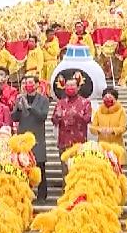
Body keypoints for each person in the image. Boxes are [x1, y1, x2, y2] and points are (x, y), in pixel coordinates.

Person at [11, 74, 51, 202]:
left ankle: (42, 195)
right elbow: (14, 118)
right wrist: (17, 108)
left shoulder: (43, 100)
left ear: (37, 85)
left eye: (30, 83)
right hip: (23, 137)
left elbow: (43, 116)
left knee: (39, 166)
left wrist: (30, 108)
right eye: (25, 83)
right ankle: (25, 194)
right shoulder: (20, 98)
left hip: (37, 137)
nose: (28, 85)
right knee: (23, 166)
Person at [51, 76, 92, 154]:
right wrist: (57, 116)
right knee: (64, 165)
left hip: (79, 142)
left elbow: (88, 119)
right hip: (64, 142)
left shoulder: (85, 103)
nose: (70, 87)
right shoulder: (60, 103)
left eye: (72, 85)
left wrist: (76, 115)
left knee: (78, 166)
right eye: (68, 86)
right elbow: (54, 121)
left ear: (78, 87)